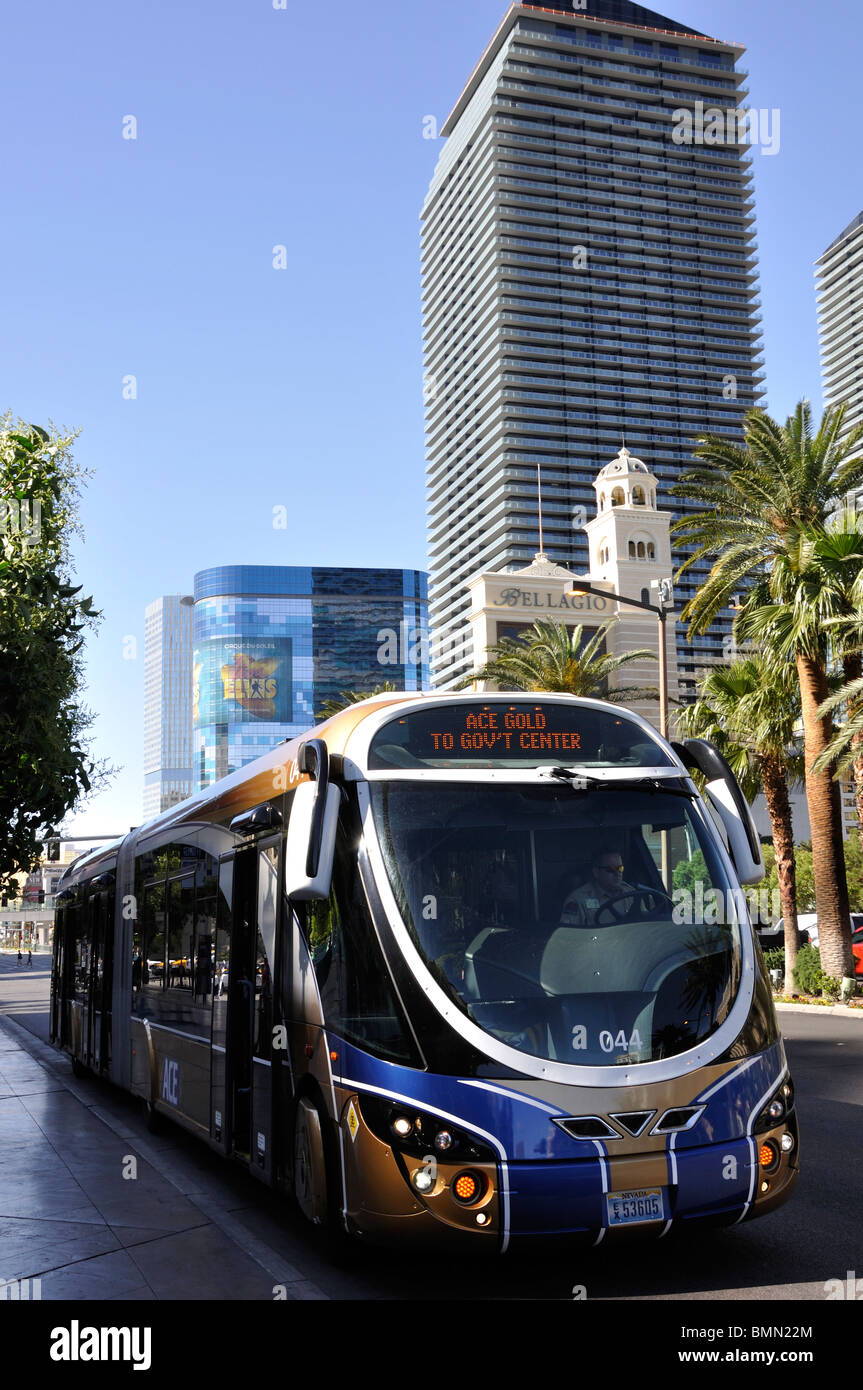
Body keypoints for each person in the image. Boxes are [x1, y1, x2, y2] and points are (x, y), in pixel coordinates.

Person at [560, 850, 636, 926]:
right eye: (611, 869)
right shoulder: (578, 900)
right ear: (596, 872)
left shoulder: (631, 893)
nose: (617, 874)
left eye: (620, 868)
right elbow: (568, 934)